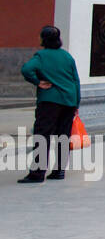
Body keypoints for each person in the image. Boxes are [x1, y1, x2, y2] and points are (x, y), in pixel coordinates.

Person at [18, 25, 82, 184]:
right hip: (69, 100)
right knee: (63, 136)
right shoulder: (67, 56)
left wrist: (37, 82)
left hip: (50, 101)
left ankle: (38, 173)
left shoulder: (41, 56)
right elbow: (76, 81)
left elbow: (26, 69)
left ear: (43, 39)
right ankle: (59, 171)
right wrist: (76, 103)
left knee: (42, 135)